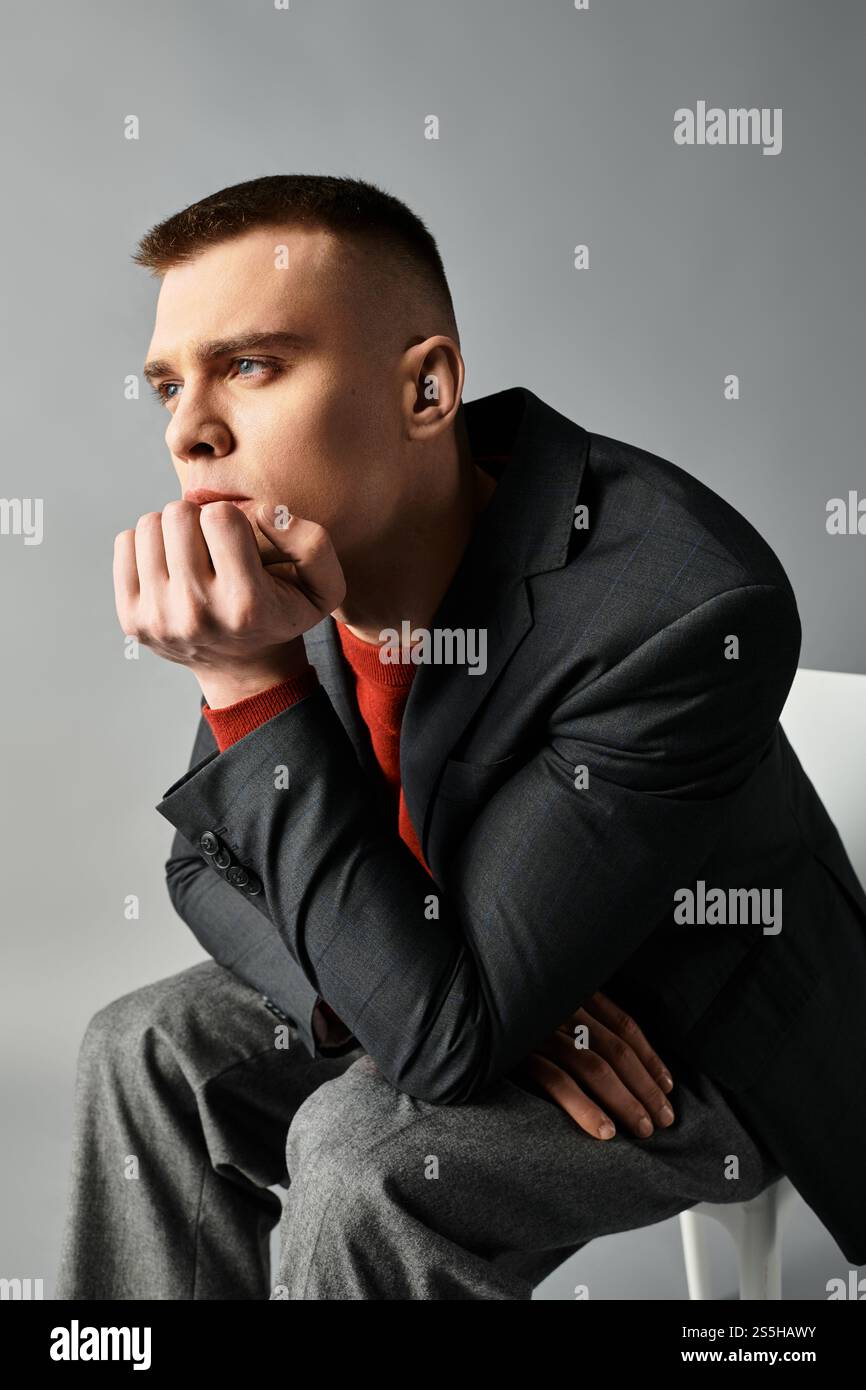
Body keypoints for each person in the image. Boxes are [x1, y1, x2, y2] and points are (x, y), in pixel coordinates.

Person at [56, 175, 866, 1299]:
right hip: (450, 960)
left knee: (363, 1163)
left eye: (249, 365)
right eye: (166, 385)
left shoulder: (677, 604)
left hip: (692, 1021)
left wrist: (246, 680)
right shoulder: (324, 553)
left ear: (426, 387)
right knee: (138, 1046)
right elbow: (205, 860)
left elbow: (442, 1044)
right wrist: (446, 1003)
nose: (190, 430)